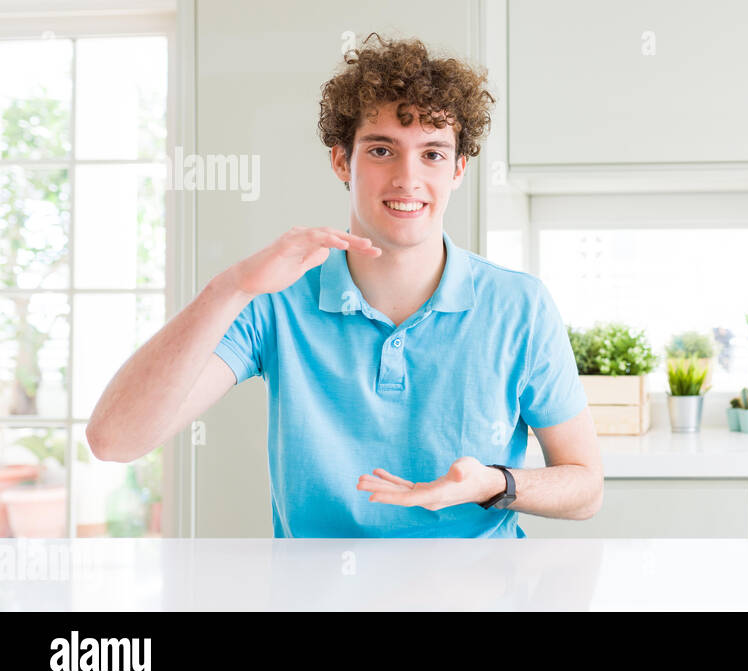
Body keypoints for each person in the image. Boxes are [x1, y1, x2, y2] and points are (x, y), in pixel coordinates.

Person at [86, 33, 602, 537]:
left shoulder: (520, 305)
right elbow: (114, 440)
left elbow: (586, 489)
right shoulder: (273, 303)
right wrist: (231, 287)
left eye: (433, 154)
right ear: (341, 161)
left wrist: (494, 483)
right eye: (381, 150)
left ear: (459, 169)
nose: (407, 177)